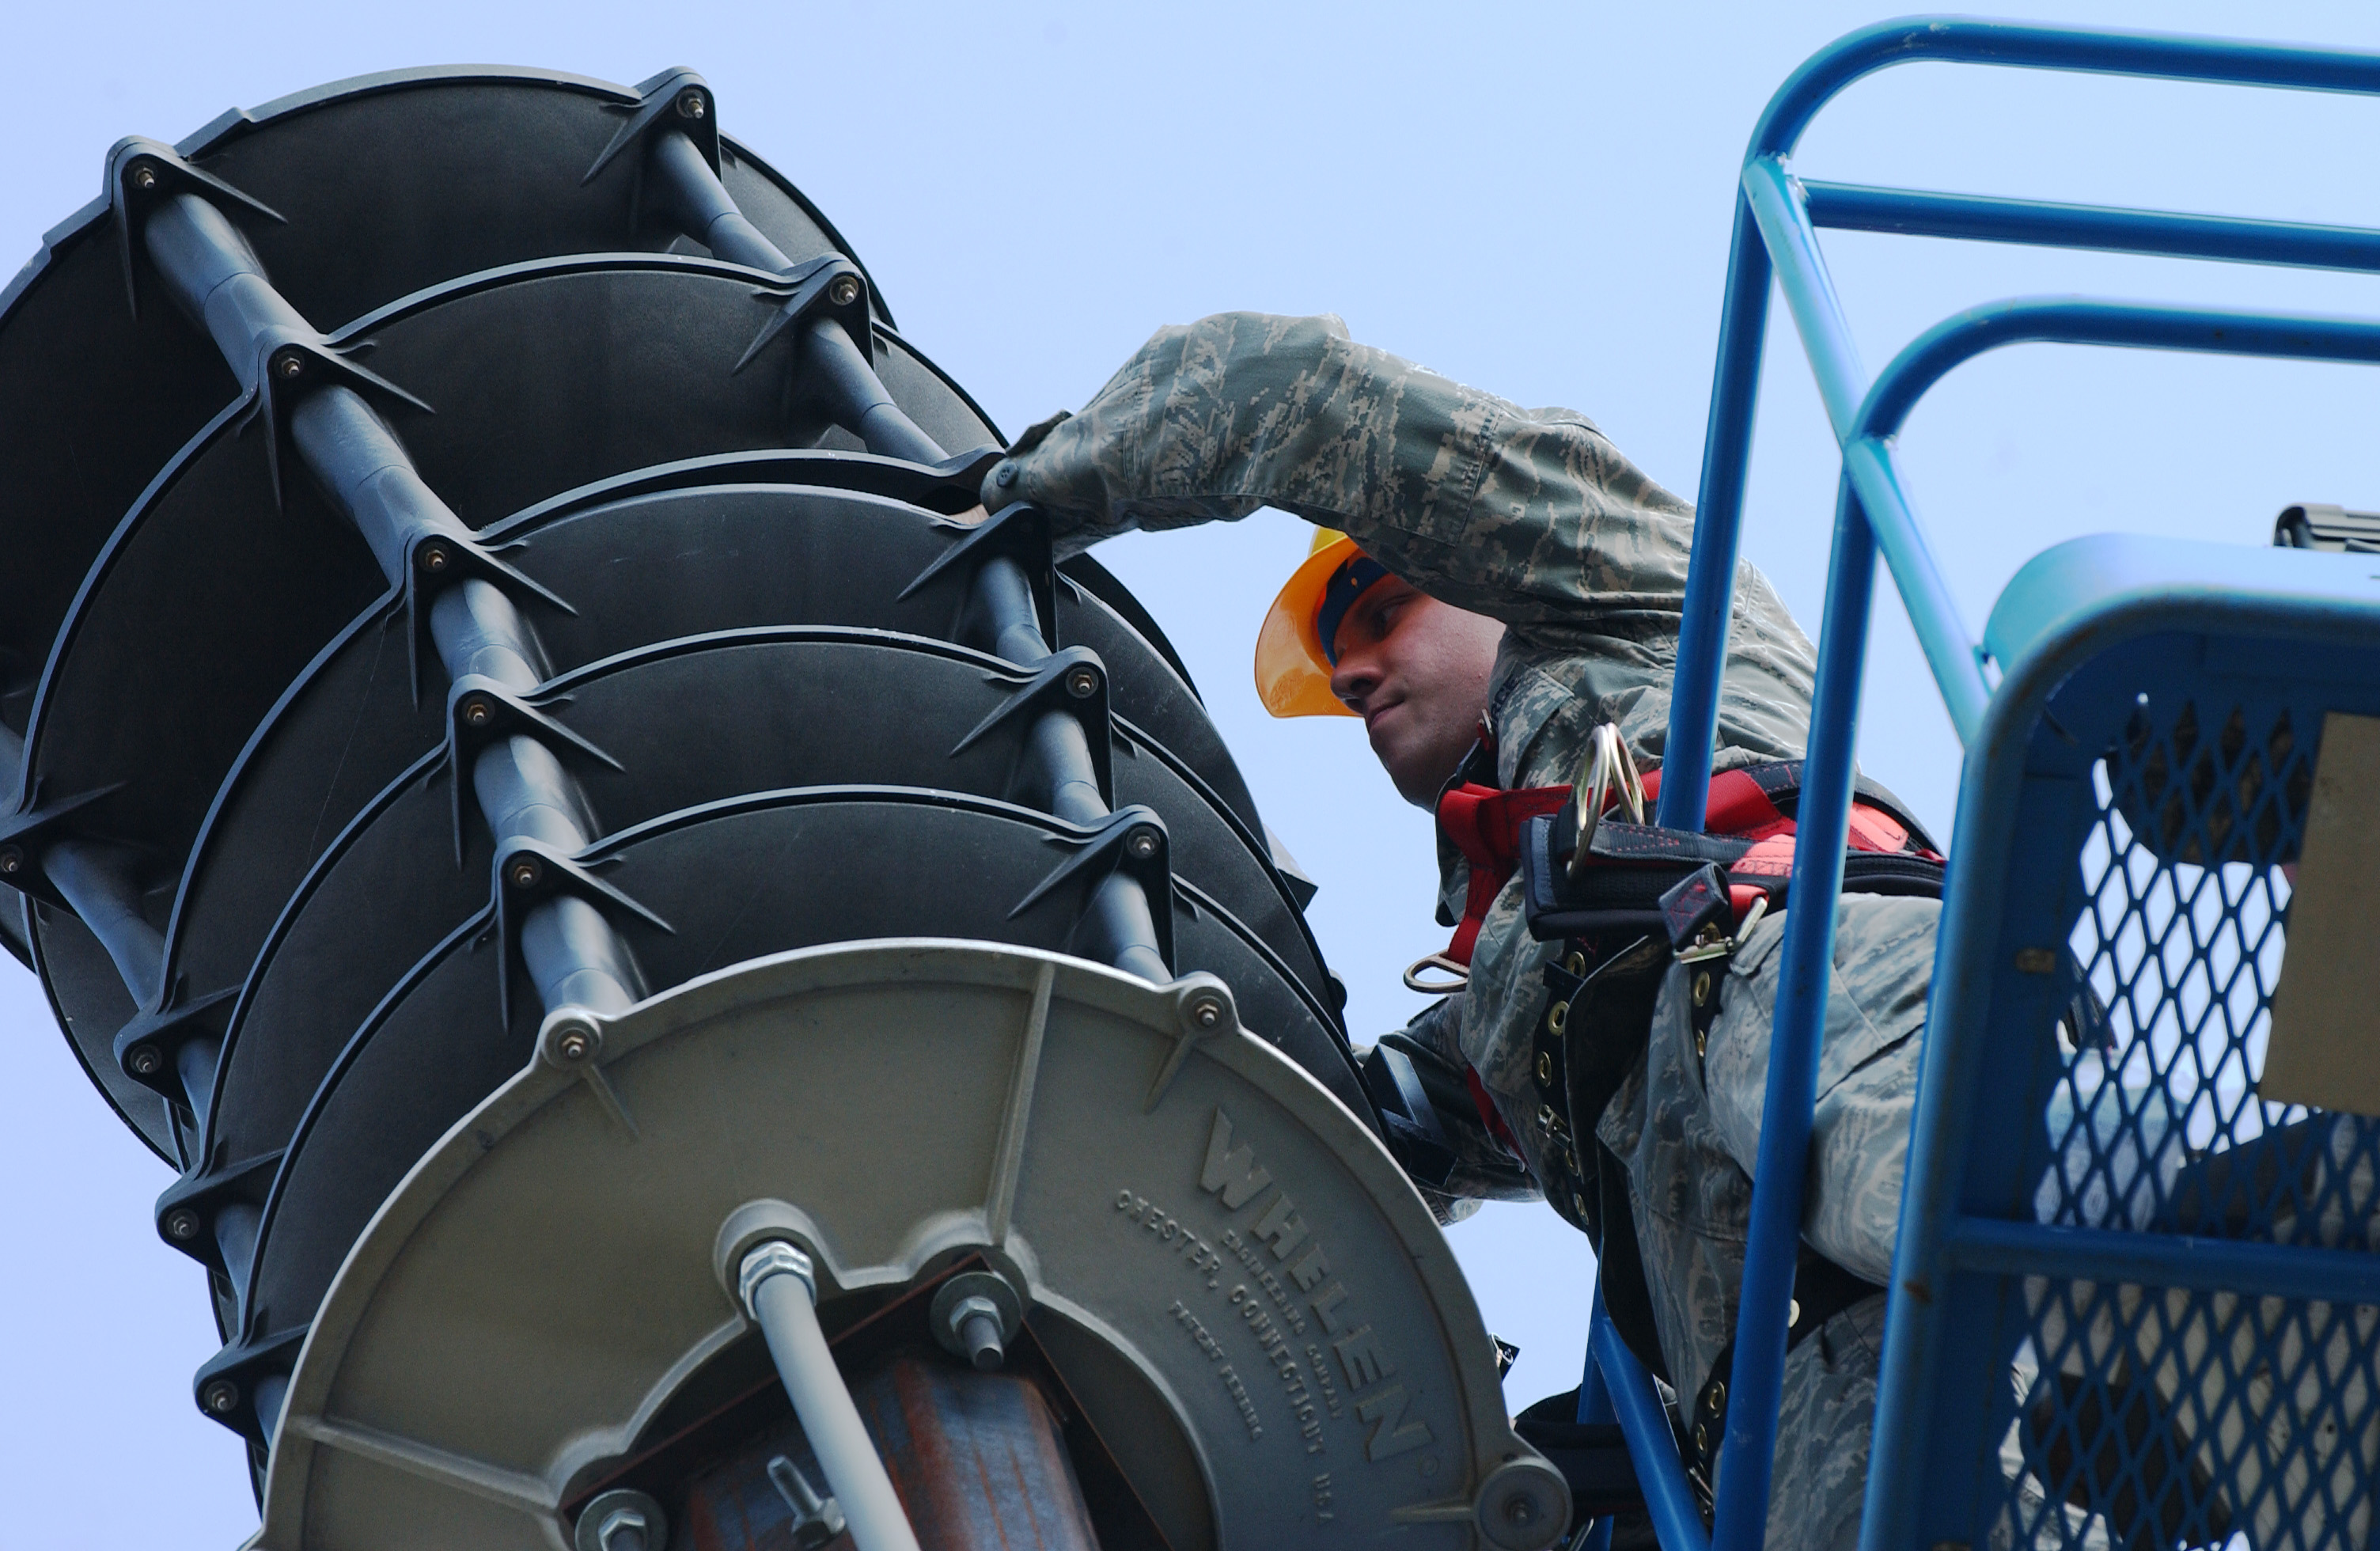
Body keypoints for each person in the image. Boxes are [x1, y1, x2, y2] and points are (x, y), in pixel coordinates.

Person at [980, 311, 1942, 1551]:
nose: (1353, 673)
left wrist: (1026, 498)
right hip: (1785, 1373)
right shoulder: (1517, 993)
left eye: (1379, 609)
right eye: (1336, 663)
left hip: (1814, 985)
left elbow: (1298, 391)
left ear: (1489, 588)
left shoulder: (1632, 594)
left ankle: (2174, 1235)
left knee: (1944, 1205)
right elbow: (1336, 1129)